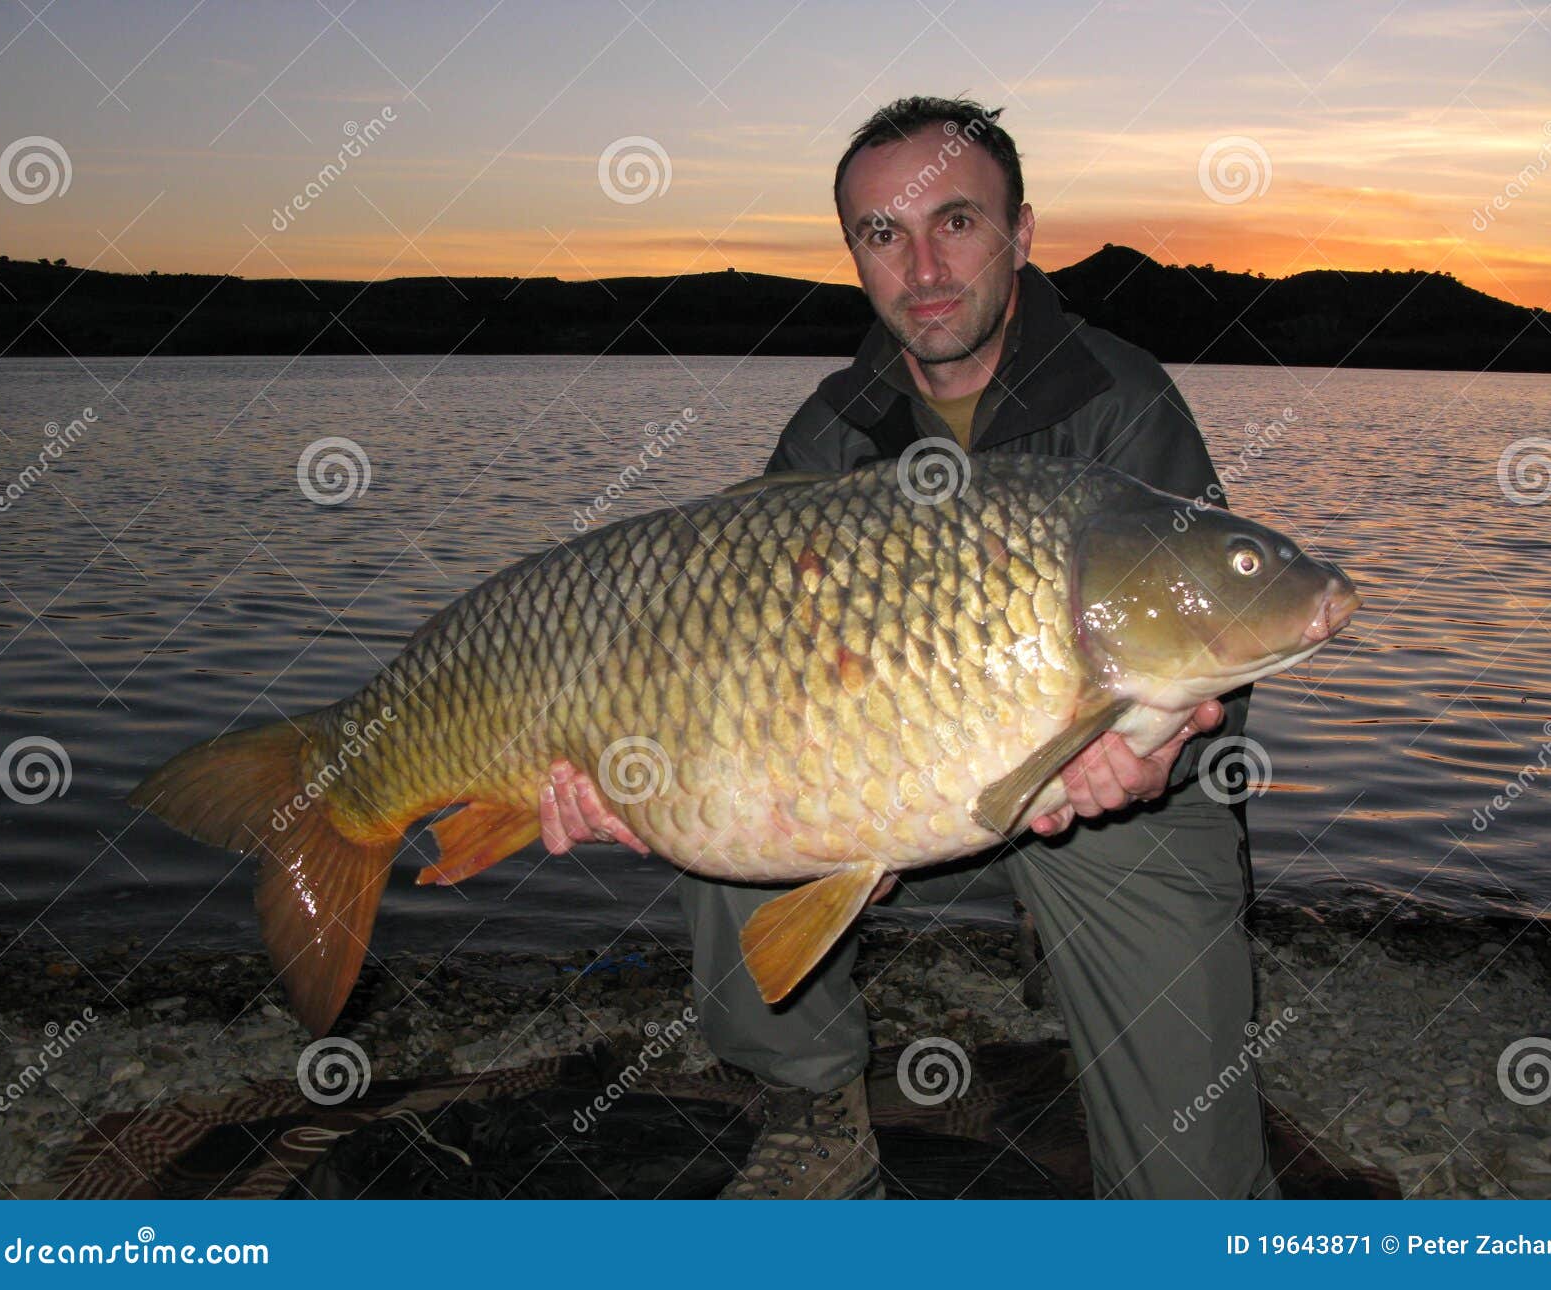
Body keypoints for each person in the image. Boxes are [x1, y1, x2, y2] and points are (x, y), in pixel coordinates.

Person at [540, 96, 1273, 1200]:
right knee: (704, 785)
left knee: (1193, 1189)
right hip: (883, 770)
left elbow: (1217, 633)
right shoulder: (832, 430)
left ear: (1021, 234)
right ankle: (813, 1104)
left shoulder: (1122, 402)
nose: (922, 269)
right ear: (854, 256)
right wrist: (618, 770)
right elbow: (723, 653)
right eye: (882, 234)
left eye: (956, 223)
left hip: (1114, 791)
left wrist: (1163, 753)